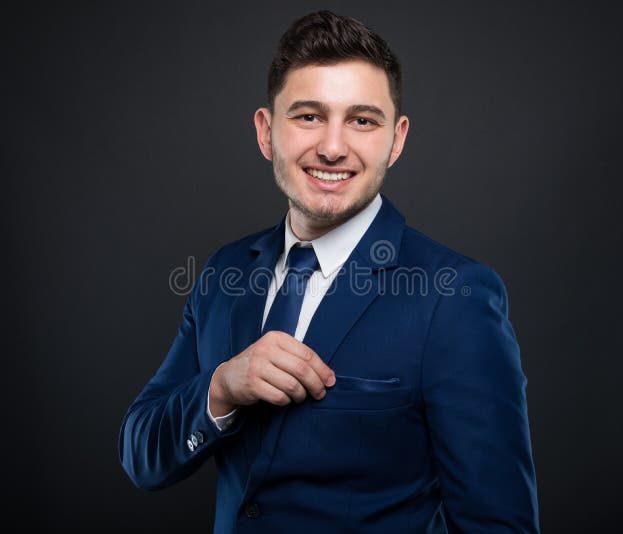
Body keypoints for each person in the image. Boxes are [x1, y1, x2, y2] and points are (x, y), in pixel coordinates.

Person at [118, 10, 539, 533]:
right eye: (309, 116)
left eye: (362, 120)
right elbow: (141, 455)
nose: (333, 147)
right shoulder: (225, 272)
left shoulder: (456, 297)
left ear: (396, 139)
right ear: (266, 132)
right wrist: (221, 388)